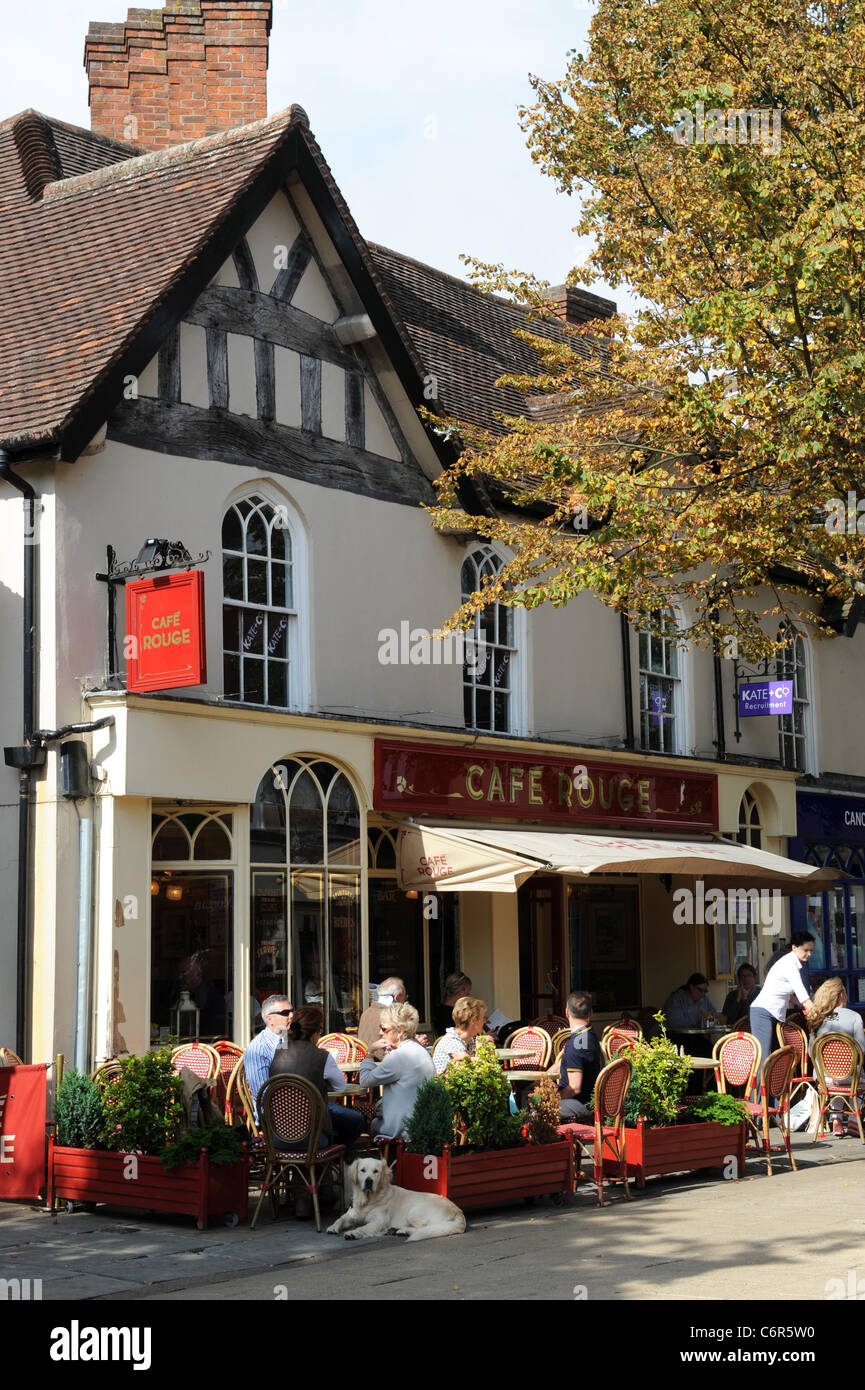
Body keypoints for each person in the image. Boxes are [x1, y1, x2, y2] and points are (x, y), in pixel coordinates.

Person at [269, 1004, 364, 1159]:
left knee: (331, 1112)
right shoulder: (322, 1056)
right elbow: (340, 1085)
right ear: (315, 1033)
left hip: (277, 1138)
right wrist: (321, 1081)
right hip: (313, 1140)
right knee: (356, 1120)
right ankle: (336, 1161)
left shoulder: (277, 1052)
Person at [358, 1001, 435, 1139]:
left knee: (367, 1122)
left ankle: (385, 1159)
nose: (380, 1032)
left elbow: (364, 1081)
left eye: (384, 1029)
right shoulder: (420, 1050)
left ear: (400, 1031)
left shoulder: (399, 1056)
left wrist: (369, 1052)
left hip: (402, 1129)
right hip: (422, 1124)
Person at [749, 931, 815, 1074]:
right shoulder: (789, 964)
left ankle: (773, 1097)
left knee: (774, 1058)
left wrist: (806, 1006)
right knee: (764, 1059)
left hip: (773, 1014)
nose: (809, 954)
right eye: (806, 950)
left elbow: (791, 997)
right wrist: (821, 1014)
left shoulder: (793, 963)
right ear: (794, 948)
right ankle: (758, 1097)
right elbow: (804, 997)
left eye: (811, 950)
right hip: (763, 1012)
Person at [807, 977, 865, 1137]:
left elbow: (811, 1052)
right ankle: (854, 1119)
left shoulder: (817, 1018)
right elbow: (862, 1049)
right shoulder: (855, 1017)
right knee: (856, 1073)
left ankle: (836, 1120)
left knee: (837, 1077)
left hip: (825, 1080)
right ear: (841, 995)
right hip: (851, 1079)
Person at [552, 991, 604, 1122]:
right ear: (591, 1013)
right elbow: (561, 1063)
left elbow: (574, 1088)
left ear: (567, 1013)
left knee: (536, 1110)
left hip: (580, 1103)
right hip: (590, 1100)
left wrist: (552, 1099)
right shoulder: (589, 1034)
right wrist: (538, 1081)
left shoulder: (576, 1045)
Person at [242, 994, 294, 1121]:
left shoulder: (288, 1038)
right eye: (285, 1013)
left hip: (300, 1107)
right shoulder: (258, 1049)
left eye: (292, 1011)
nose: (292, 1016)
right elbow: (263, 1095)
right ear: (269, 1019)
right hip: (275, 1118)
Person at [432, 996, 487, 1073]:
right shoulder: (452, 1041)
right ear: (472, 1020)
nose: (485, 1021)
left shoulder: (471, 1039)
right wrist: (481, 1048)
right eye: (483, 1018)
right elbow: (473, 1069)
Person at [432, 972, 472, 1038]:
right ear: (461, 991)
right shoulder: (452, 1014)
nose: (468, 996)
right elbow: (460, 1037)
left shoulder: (438, 1010)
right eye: (467, 993)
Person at [722, 963, 759, 1027]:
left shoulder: (760, 995)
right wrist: (738, 999)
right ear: (738, 979)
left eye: (749, 976)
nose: (745, 979)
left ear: (755, 978)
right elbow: (728, 1019)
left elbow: (749, 1019)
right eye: (742, 976)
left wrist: (744, 999)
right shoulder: (731, 996)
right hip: (734, 1033)